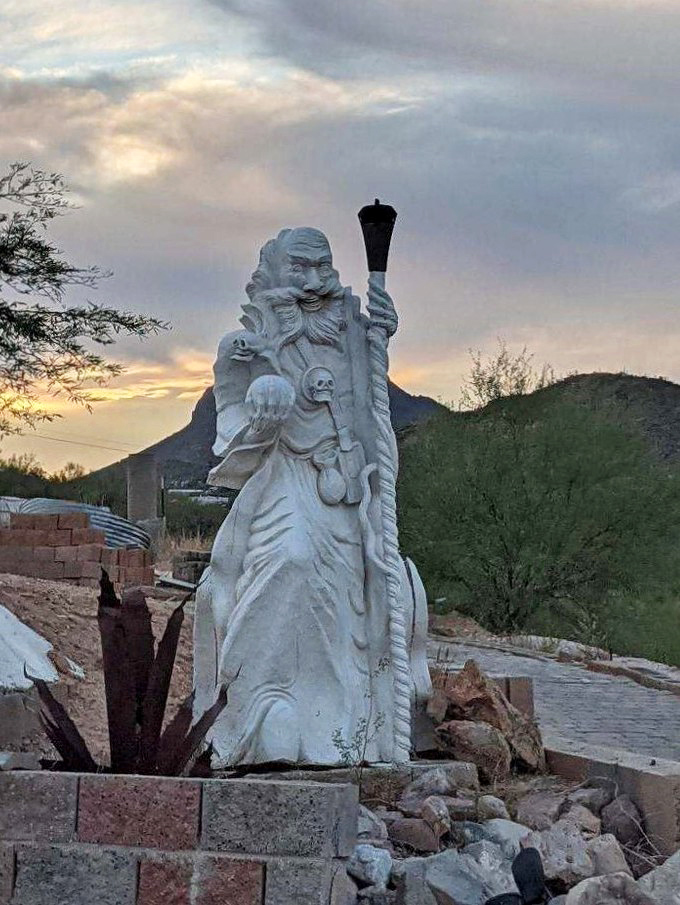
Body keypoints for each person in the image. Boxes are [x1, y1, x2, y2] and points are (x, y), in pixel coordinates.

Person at [194, 226, 430, 766]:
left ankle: (342, 732)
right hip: (284, 480)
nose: (314, 281)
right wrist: (260, 410)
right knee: (289, 561)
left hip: (343, 488)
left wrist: (380, 344)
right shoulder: (242, 348)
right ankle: (256, 711)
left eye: (323, 267)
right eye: (300, 269)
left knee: (350, 606)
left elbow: (368, 413)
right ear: (273, 275)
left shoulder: (351, 332)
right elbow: (227, 430)